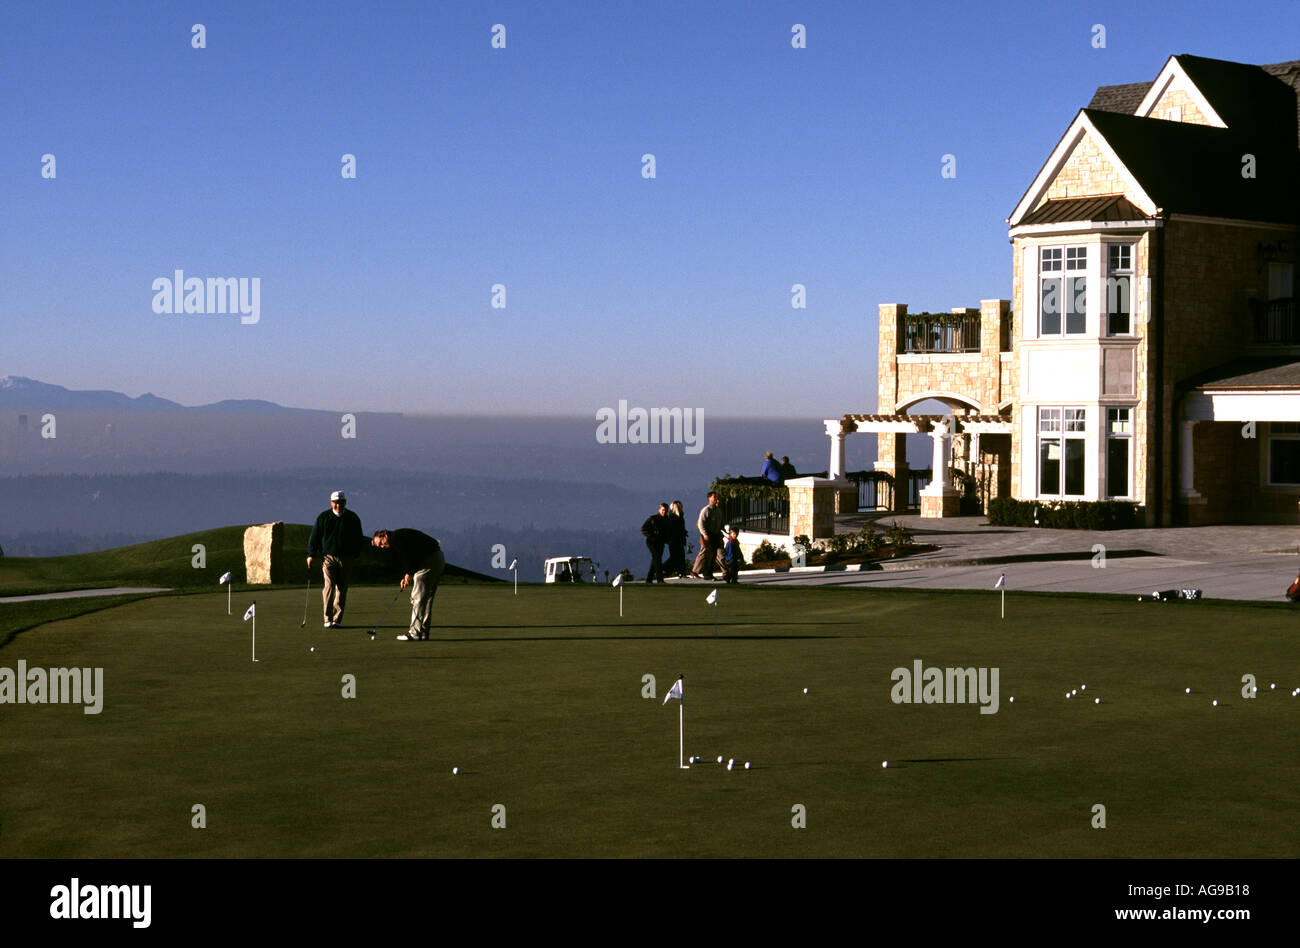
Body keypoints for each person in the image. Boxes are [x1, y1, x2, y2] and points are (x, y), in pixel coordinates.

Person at [371, 528, 445, 641]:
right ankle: (423, 633)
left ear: (384, 535)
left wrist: (408, 575)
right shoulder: (398, 537)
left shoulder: (396, 538)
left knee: (418, 598)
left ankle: (415, 633)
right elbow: (410, 558)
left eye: (381, 543)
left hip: (429, 561)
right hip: (438, 558)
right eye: (379, 546)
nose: (382, 546)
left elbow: (409, 557)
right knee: (427, 598)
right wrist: (407, 575)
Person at [307, 490, 364, 628]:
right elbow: (314, 537)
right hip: (328, 557)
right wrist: (311, 554)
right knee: (329, 586)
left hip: (346, 558)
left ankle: (337, 619)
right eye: (335, 503)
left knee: (342, 588)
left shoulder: (352, 517)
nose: (338, 506)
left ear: (345, 503)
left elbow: (358, 538)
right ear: (331, 502)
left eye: (341, 503)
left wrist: (355, 554)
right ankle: (328, 619)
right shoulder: (323, 517)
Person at [691, 491, 725, 580]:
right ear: (709, 498)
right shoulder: (706, 510)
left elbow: (720, 522)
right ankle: (705, 573)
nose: (716, 498)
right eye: (714, 497)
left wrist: (722, 530)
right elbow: (701, 524)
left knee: (713, 555)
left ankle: (708, 573)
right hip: (708, 535)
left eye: (716, 497)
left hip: (716, 534)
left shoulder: (718, 510)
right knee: (707, 554)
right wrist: (705, 534)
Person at [641, 503, 669, 584]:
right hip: (652, 542)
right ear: (659, 510)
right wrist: (652, 536)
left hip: (660, 543)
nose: (664, 512)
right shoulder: (653, 518)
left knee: (655, 560)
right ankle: (660, 580)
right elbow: (643, 529)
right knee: (657, 559)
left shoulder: (667, 519)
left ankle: (649, 579)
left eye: (666, 510)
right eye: (663, 510)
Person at [665, 500, 689, 577]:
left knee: (680, 556)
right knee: (675, 557)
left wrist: (684, 532)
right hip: (675, 541)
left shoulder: (678, 517)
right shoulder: (673, 517)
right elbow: (673, 530)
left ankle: (681, 572)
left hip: (678, 540)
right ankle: (662, 569)